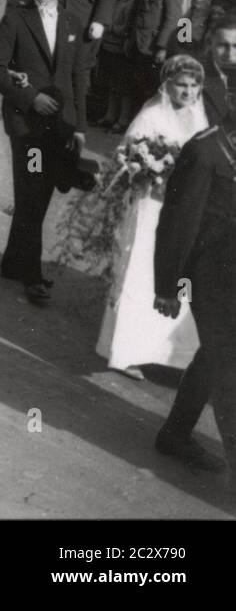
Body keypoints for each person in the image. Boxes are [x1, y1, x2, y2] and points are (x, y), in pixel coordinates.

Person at [92, 54, 208, 379]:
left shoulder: (200, 121)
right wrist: (148, 171)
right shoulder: (152, 116)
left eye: (193, 86)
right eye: (180, 85)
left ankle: (168, 355)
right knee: (141, 272)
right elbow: (128, 157)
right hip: (151, 205)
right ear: (167, 85)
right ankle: (127, 351)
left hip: (182, 212)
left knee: (176, 275)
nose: (187, 92)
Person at [0, 0, 90, 305]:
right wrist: (30, 98)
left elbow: (77, 77)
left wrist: (79, 128)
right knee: (30, 194)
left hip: (59, 127)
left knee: (41, 196)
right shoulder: (16, 19)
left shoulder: (72, 23)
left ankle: (14, 262)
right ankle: (32, 275)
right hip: (26, 127)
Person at [152, 96, 236, 492]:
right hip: (210, 279)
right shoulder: (205, 150)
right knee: (229, 369)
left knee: (218, 356)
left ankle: (175, 432)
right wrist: (167, 287)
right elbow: (176, 223)